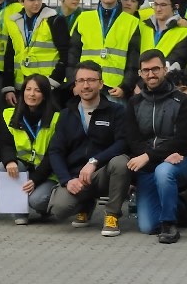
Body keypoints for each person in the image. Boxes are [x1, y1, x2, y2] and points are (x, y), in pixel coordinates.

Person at [110, 52, 187, 242]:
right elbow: (133, 140)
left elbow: (181, 140)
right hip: (150, 166)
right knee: (148, 226)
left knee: (164, 171)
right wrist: (154, 157)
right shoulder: (134, 103)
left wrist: (150, 156)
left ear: (164, 70)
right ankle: (179, 203)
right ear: (140, 74)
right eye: (146, 70)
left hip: (180, 161)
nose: (151, 74)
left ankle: (169, 225)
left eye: (155, 69)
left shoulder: (183, 101)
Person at [45, 62, 128, 229]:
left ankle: (112, 215)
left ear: (101, 83)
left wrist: (94, 161)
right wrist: (67, 180)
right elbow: (55, 151)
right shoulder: (66, 114)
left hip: (103, 174)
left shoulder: (116, 111)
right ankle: (85, 205)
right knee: (59, 209)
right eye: (81, 81)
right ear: (75, 85)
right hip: (77, 178)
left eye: (91, 80)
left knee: (121, 162)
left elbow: (123, 143)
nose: (86, 85)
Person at [73, 0, 142, 102]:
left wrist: (125, 87)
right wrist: (73, 83)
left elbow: (133, 59)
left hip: (115, 89)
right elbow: (73, 54)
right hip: (86, 86)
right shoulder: (83, 18)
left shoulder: (131, 22)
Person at [1, 74, 57, 224]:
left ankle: (44, 210)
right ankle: (18, 211)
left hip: (47, 173)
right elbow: (5, 144)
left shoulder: (56, 118)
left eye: (37, 90)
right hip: (22, 168)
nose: (31, 94)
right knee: (2, 167)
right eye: (28, 89)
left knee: (38, 200)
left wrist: (35, 179)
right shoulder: (8, 114)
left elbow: (54, 154)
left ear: (44, 95)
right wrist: (10, 161)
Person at [6, 0, 67, 94]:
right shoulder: (14, 21)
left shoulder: (54, 19)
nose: (36, 3)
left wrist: (54, 80)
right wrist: (8, 87)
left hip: (48, 85)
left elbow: (65, 54)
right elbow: (10, 55)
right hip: (22, 85)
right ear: (21, 1)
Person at [140, 0, 187, 84]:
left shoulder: (184, 33)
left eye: (163, 5)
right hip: (140, 85)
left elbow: (174, 64)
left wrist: (140, 85)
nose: (158, 9)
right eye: (156, 4)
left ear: (175, 7)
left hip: (166, 86)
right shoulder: (143, 27)